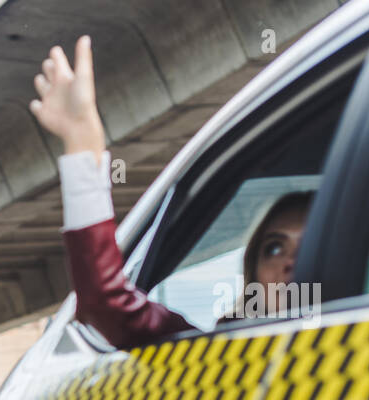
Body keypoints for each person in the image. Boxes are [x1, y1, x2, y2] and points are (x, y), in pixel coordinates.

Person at [29, 36, 312, 349]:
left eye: (314, 241)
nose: (290, 262)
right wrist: (82, 143)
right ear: (253, 273)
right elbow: (106, 303)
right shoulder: (222, 358)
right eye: (273, 248)